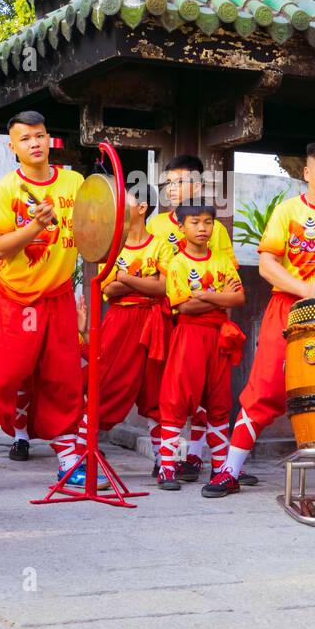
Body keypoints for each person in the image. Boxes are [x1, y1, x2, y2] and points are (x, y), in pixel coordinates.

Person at [212, 139, 315, 498]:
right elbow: (268, 265)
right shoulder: (288, 212)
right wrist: (305, 289)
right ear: (307, 173)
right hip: (291, 308)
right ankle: (230, 469)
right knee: (265, 387)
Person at [0, 111, 86, 496]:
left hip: (60, 296)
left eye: (40, 135)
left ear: (49, 138)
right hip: (15, 298)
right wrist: (35, 226)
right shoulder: (6, 189)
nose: (34, 144)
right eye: (25, 139)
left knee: (64, 379)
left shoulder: (75, 182)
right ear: (12, 146)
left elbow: (92, 230)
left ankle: (68, 461)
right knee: (1, 378)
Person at [147, 154, 237, 482]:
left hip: (208, 326)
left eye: (178, 182)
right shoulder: (156, 225)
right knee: (168, 391)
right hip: (166, 318)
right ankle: (164, 459)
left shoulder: (216, 231)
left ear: (198, 185)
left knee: (208, 394)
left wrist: (220, 317)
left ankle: (196, 457)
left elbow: (231, 285)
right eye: (167, 183)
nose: (170, 189)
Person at [157, 204, 246, 491]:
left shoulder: (222, 259)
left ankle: (220, 469)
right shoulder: (177, 263)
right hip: (189, 334)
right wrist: (220, 297)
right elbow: (184, 305)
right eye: (195, 222)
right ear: (181, 227)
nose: (202, 228)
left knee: (219, 403)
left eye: (208, 222)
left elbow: (239, 299)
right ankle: (167, 469)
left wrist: (205, 294)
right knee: (177, 400)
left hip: (218, 336)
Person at [83, 185, 168, 473]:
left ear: (142, 208)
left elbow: (162, 288)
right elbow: (107, 288)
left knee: (156, 391)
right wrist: (139, 280)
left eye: (125, 203)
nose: (118, 209)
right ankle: (85, 450)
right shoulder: (113, 246)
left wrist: (124, 277)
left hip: (154, 323)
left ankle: (163, 459)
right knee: (107, 383)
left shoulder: (161, 244)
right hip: (119, 322)